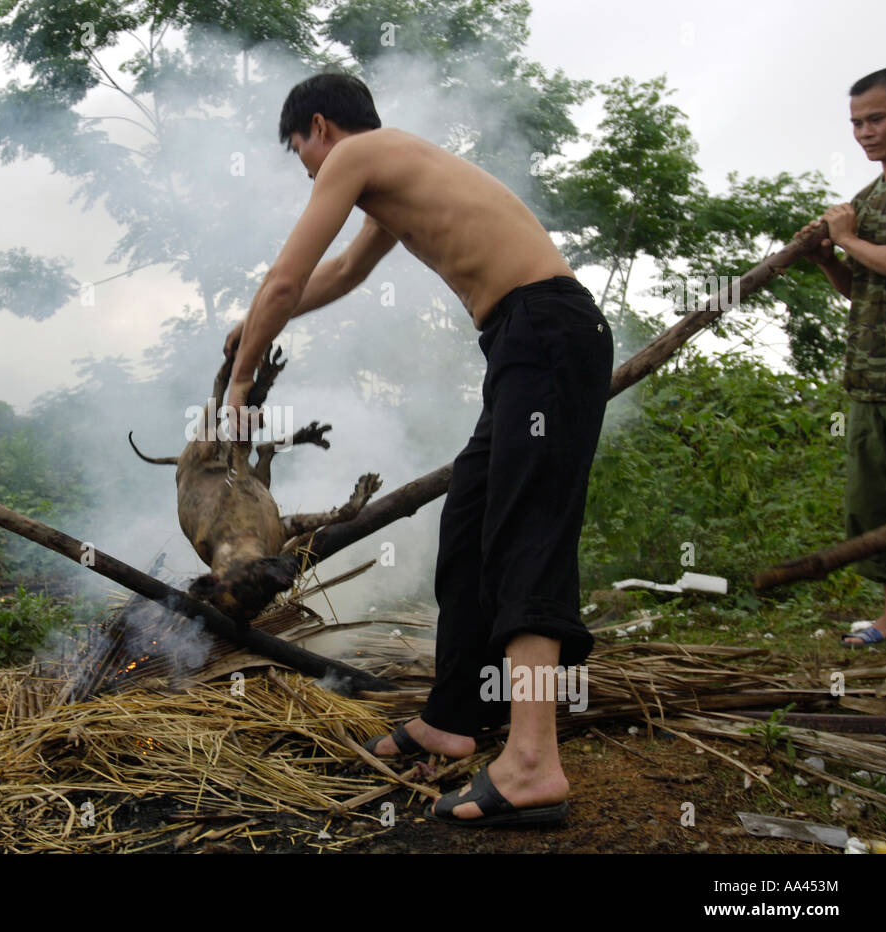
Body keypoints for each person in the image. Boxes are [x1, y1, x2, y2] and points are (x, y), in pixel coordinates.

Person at [222, 73, 612, 826]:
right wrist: (256, 319)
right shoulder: (393, 165)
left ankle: (533, 762)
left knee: (527, 536)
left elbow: (287, 277)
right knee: (468, 526)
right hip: (524, 343)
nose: (308, 169)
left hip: (547, 334)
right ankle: (453, 719)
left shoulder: (355, 156)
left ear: (320, 126)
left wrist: (241, 385)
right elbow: (336, 275)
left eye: (301, 153)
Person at [794, 68, 886, 649]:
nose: (864, 132)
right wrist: (830, 257)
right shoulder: (868, 199)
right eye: (856, 122)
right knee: (876, 512)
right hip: (869, 383)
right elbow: (863, 289)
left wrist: (849, 240)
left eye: (876, 118)